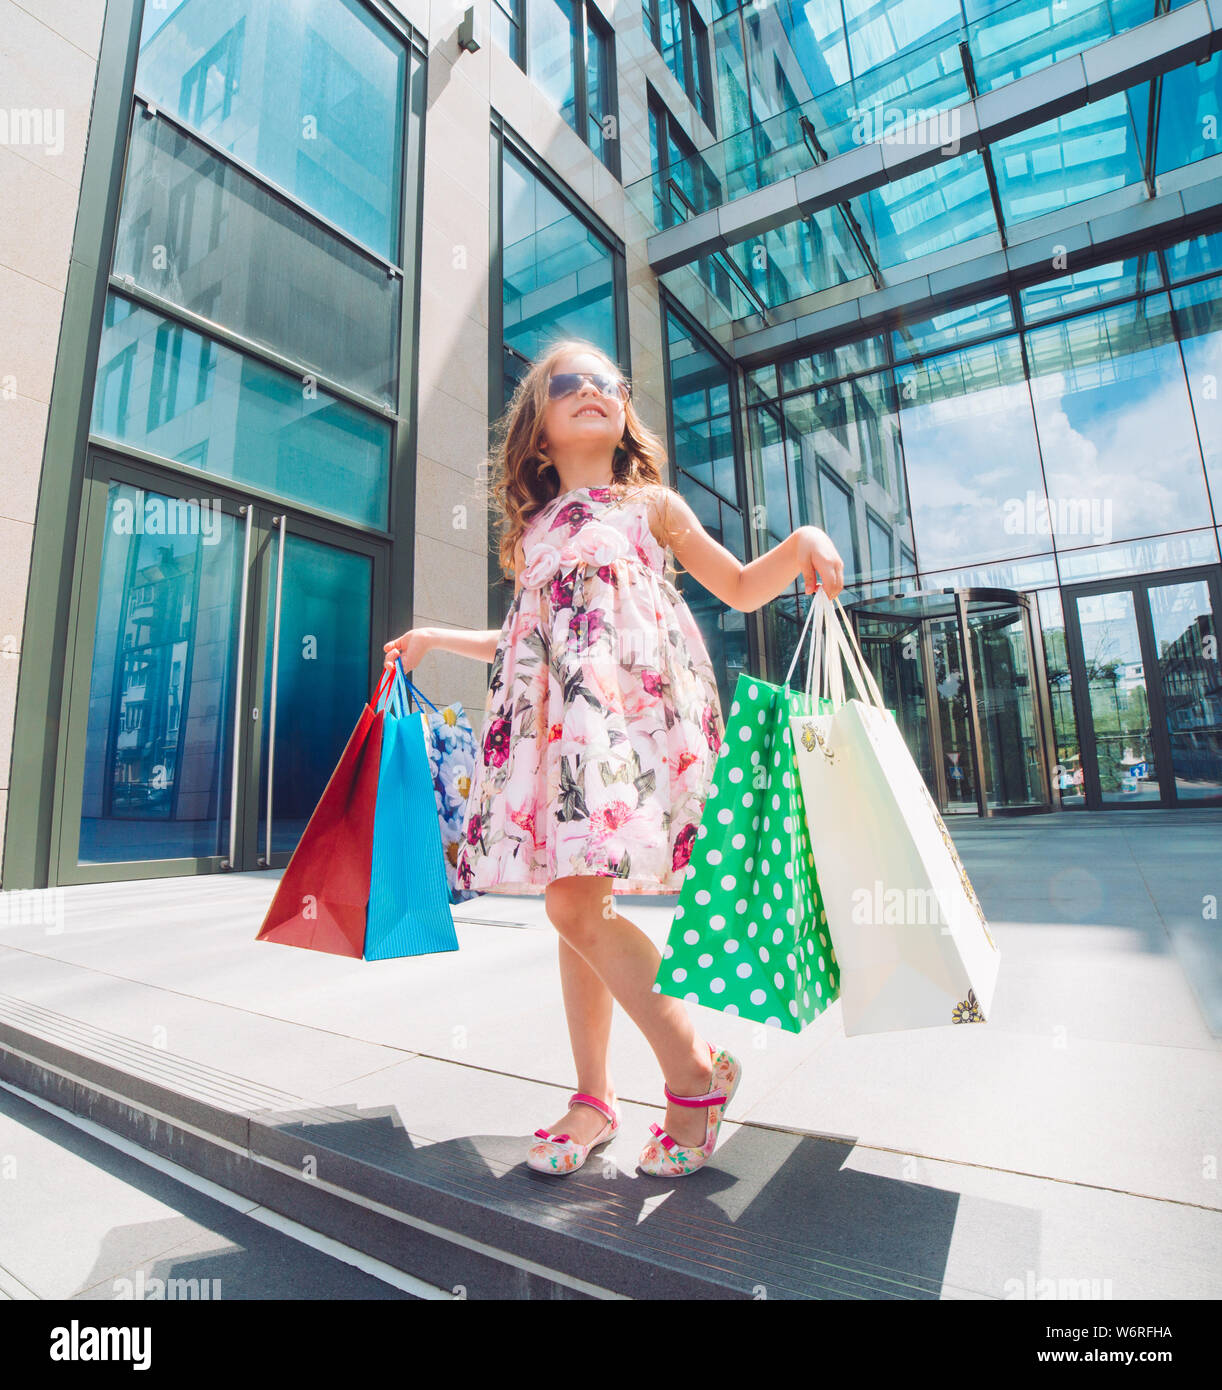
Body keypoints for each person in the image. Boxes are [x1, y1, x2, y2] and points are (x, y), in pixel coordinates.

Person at [385, 339, 844, 1178]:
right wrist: (435, 638)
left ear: (623, 410)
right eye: (571, 383)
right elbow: (530, 638)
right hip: (556, 735)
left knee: (570, 908)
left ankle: (693, 1072)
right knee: (576, 903)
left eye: (610, 383)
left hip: (627, 732)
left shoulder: (652, 507)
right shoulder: (532, 532)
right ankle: (595, 1097)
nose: (595, 389)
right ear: (539, 429)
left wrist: (806, 537)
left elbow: (739, 585)